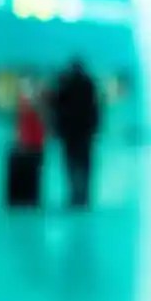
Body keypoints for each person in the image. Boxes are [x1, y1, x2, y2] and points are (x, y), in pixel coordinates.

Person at [49, 59, 101, 208]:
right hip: (85, 133)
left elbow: (57, 107)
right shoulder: (88, 85)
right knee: (84, 165)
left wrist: (58, 129)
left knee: (71, 164)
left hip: (70, 133)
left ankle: (74, 195)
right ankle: (84, 196)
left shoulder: (66, 85)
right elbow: (95, 109)